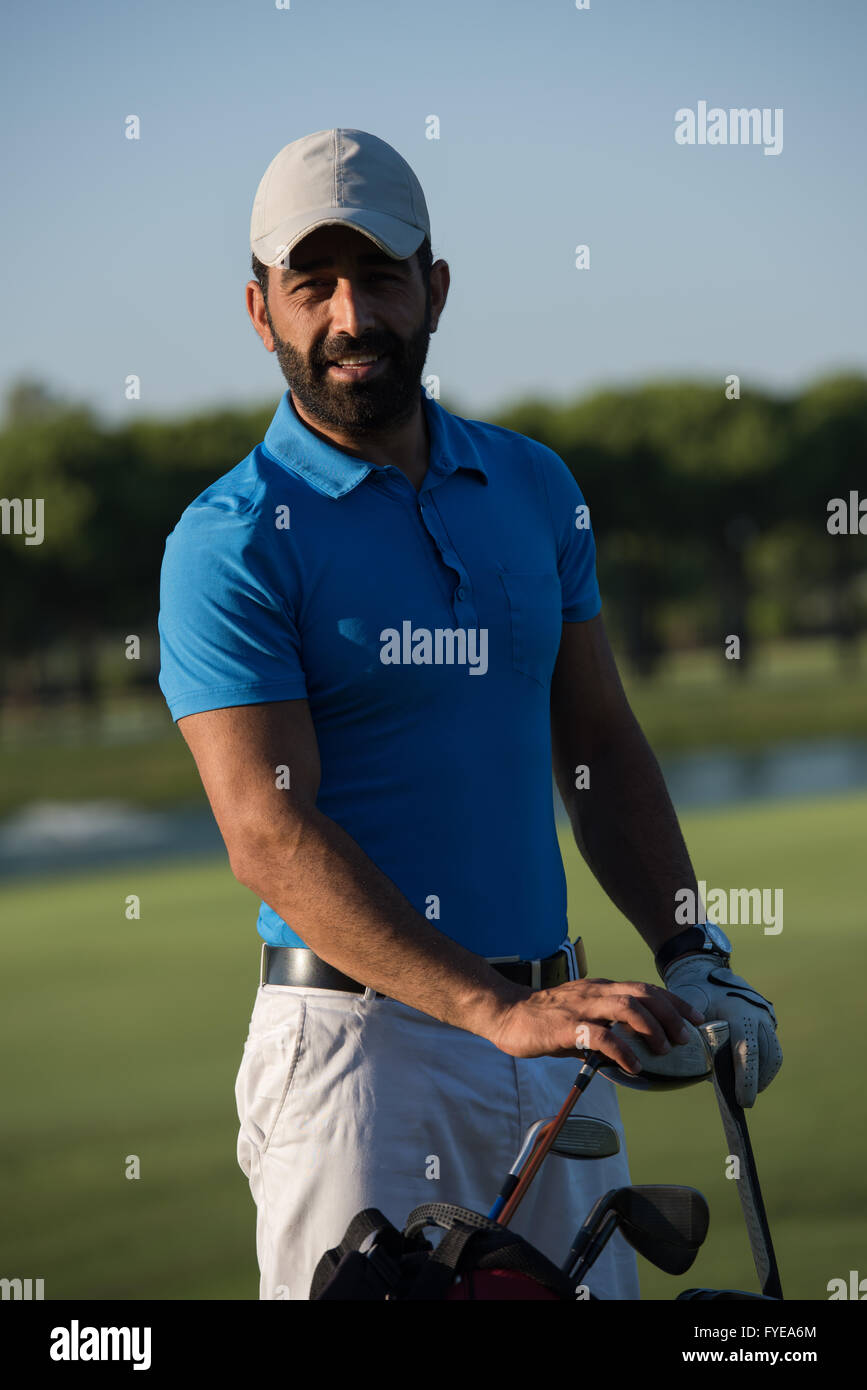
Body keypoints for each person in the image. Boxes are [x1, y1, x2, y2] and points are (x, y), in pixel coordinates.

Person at [157, 128, 782, 1300]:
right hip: (358, 1061)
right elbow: (268, 834)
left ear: (434, 289)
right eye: (314, 286)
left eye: (382, 277)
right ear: (260, 313)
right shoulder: (229, 541)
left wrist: (694, 950)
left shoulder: (536, 485)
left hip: (555, 1035)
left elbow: (597, 742)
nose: (352, 315)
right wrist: (496, 1010)